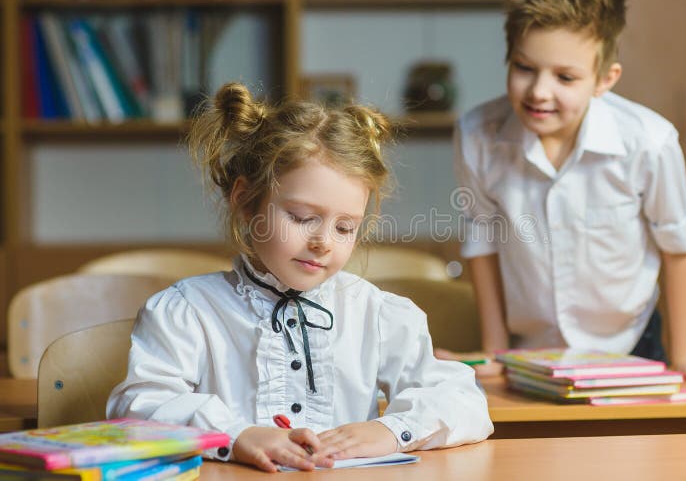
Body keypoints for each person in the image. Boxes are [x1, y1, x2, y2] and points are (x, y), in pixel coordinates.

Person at [107, 82, 493, 473]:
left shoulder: (377, 314)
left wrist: (393, 431)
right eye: (303, 218)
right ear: (244, 201)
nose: (323, 242)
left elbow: (465, 400)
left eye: (345, 228)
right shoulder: (187, 312)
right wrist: (235, 435)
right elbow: (138, 406)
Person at [440, 0, 686, 384]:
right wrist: (494, 350)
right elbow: (483, 242)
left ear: (605, 78)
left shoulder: (648, 142)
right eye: (524, 68)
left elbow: (680, 246)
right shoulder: (478, 134)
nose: (539, 91)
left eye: (565, 78)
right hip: (527, 351)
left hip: (632, 346)